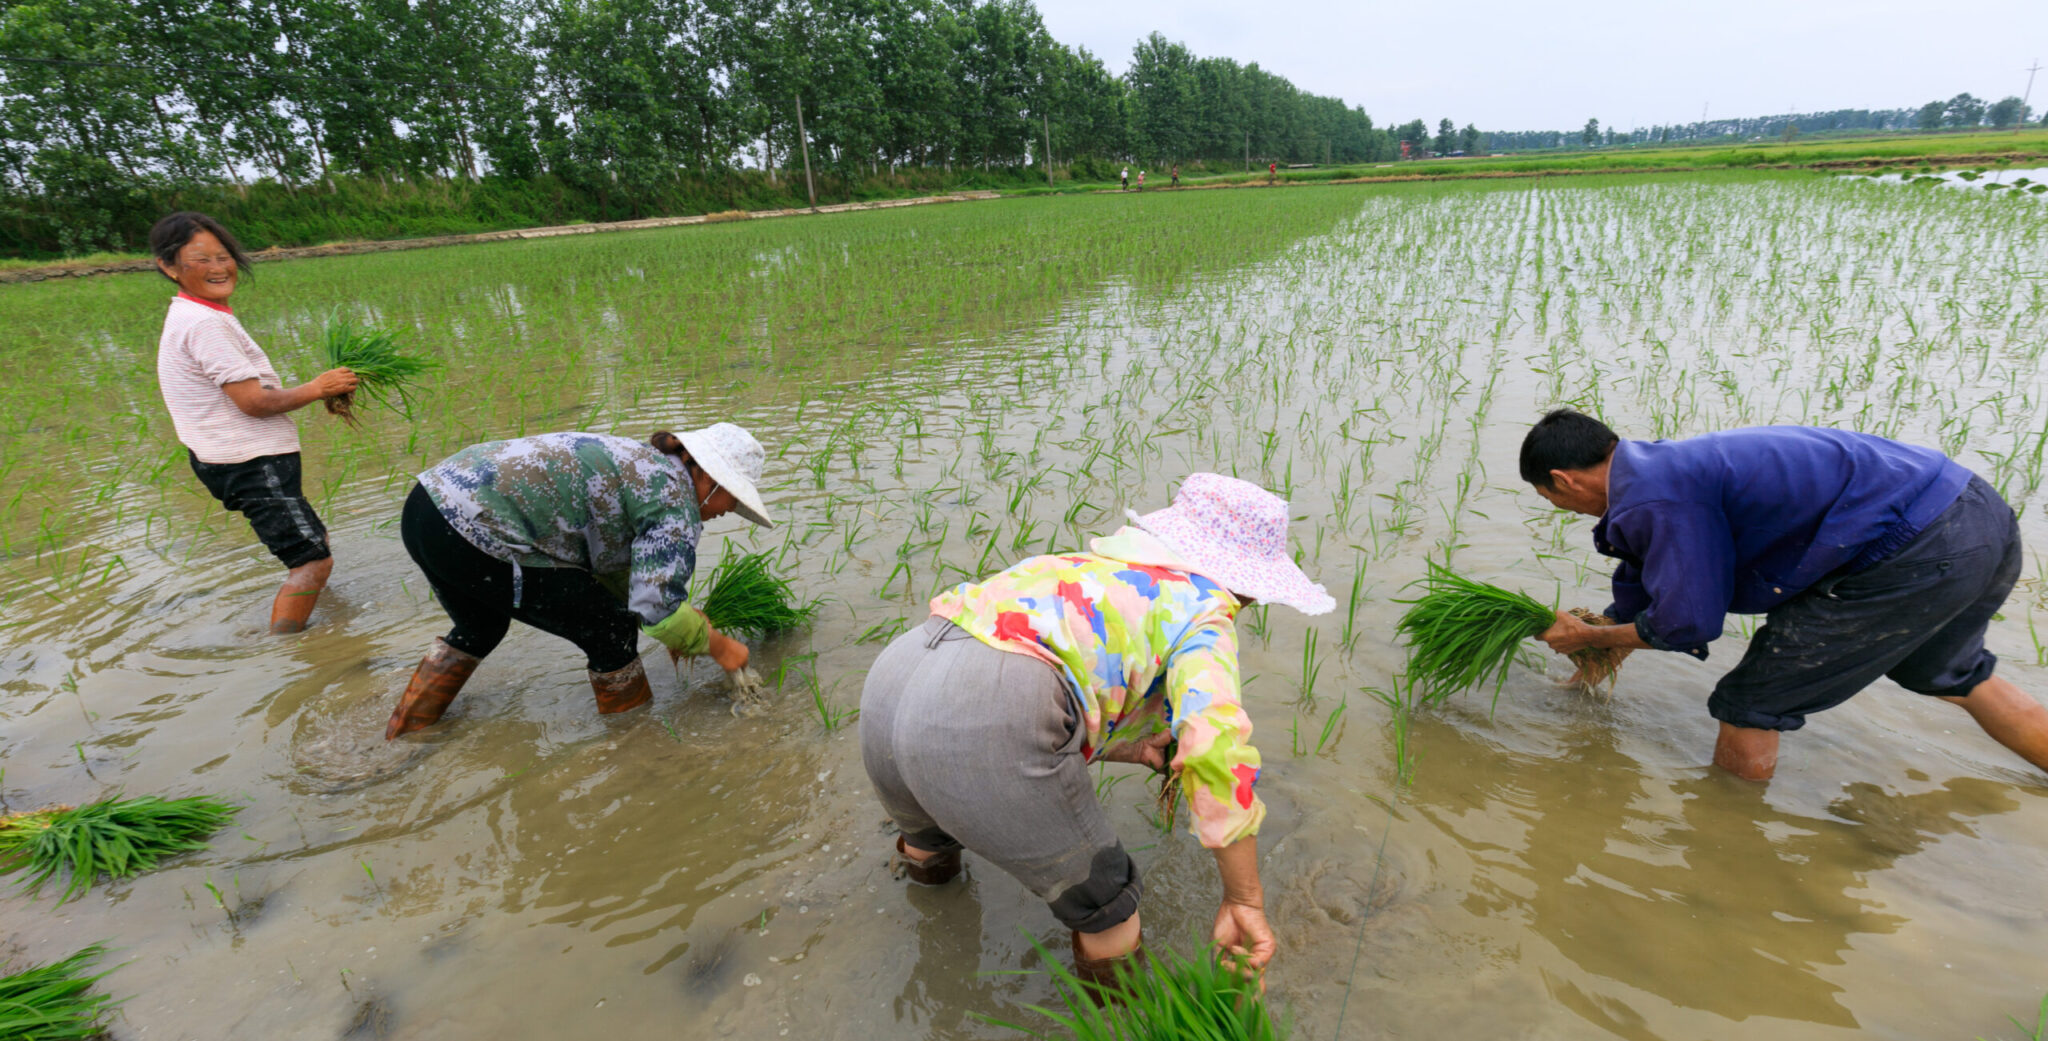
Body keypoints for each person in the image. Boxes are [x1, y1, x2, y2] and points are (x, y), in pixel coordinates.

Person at [860, 473, 1333, 989]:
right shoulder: (1203, 608)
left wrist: (1124, 747)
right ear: (1243, 584)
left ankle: (932, 938)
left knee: (929, 838)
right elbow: (1215, 751)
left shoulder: (1074, 567)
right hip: (985, 713)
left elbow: (1021, 669)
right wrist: (1245, 899)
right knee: (1108, 901)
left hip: (892, 681)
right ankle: (1120, 1018)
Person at [1521, 409, 2048, 781]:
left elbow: (1690, 623)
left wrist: (1589, 634)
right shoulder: (1660, 467)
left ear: (1563, 481)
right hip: (1976, 514)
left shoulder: (1654, 497)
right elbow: (1648, 580)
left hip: (1918, 545)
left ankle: (1728, 849)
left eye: (1549, 498)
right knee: (1948, 673)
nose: (1560, 508)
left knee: (1751, 701)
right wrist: (1600, 648)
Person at [385, 425, 773, 739]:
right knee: (610, 631)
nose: (731, 512)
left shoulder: (644, 462)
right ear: (708, 476)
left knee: (480, 626)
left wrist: (681, 621)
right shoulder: (675, 501)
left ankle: (405, 734)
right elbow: (656, 611)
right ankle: (636, 748)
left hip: (428, 507)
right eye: (733, 500)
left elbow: (623, 575)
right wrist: (719, 646)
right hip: (478, 530)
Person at [151, 211, 360, 634]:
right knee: (312, 562)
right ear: (169, 267)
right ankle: (290, 649)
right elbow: (252, 402)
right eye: (201, 259)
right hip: (249, 461)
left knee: (311, 544)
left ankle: (325, 618)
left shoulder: (198, 314)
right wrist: (319, 388)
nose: (219, 267)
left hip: (233, 456)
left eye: (224, 256)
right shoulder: (205, 323)